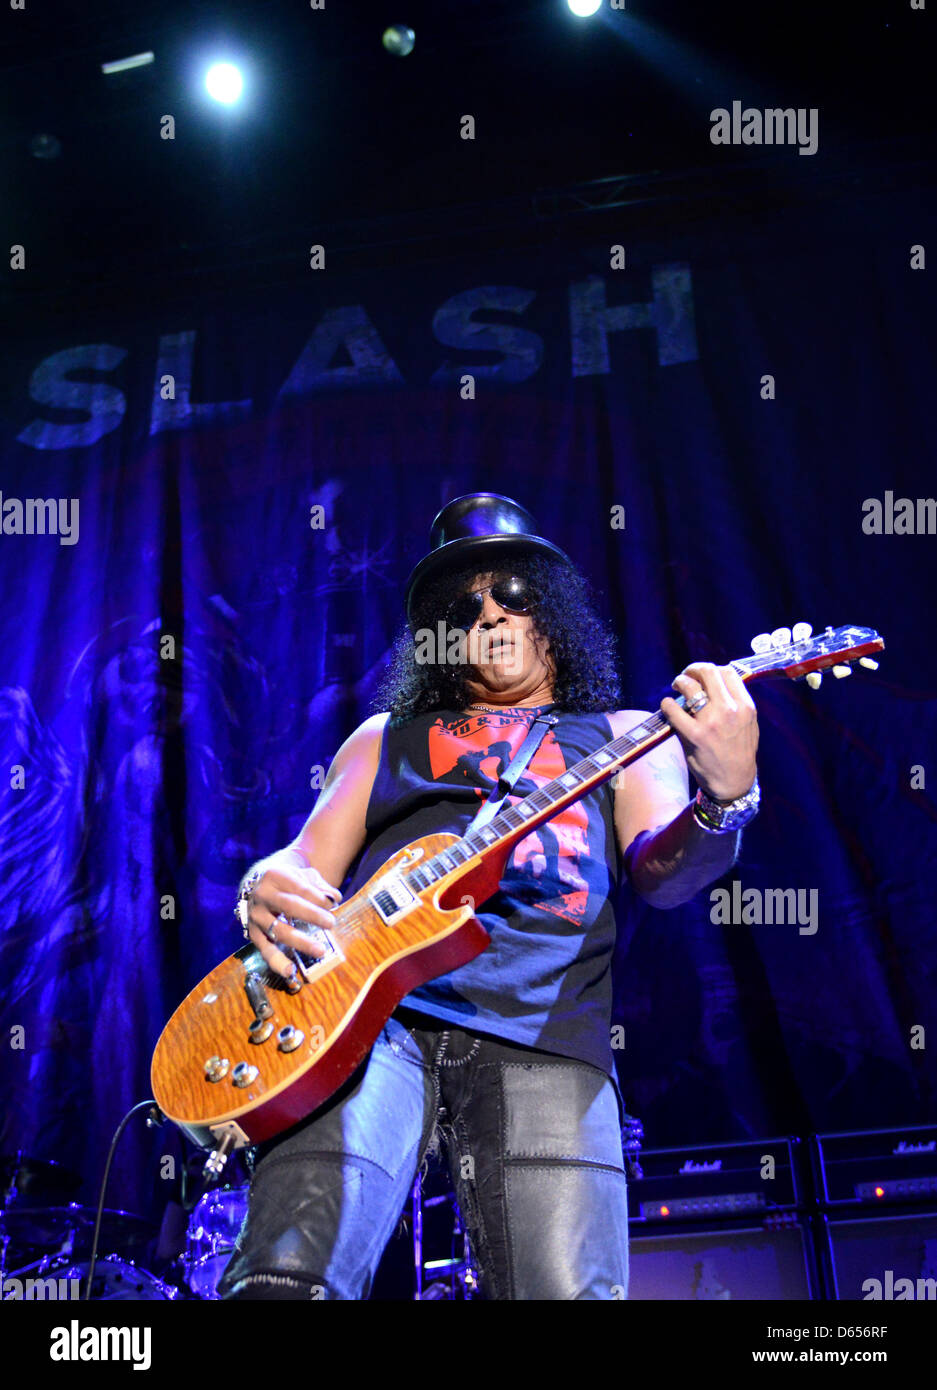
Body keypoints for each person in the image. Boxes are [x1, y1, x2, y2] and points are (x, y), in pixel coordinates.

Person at [217, 493, 759, 1300]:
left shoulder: (625, 734)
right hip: (365, 1027)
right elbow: (299, 865)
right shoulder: (380, 738)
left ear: (553, 613)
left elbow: (665, 876)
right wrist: (262, 884)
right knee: (286, 1280)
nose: (488, 613)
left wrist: (725, 797)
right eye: (462, 604)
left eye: (511, 592)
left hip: (544, 1030)